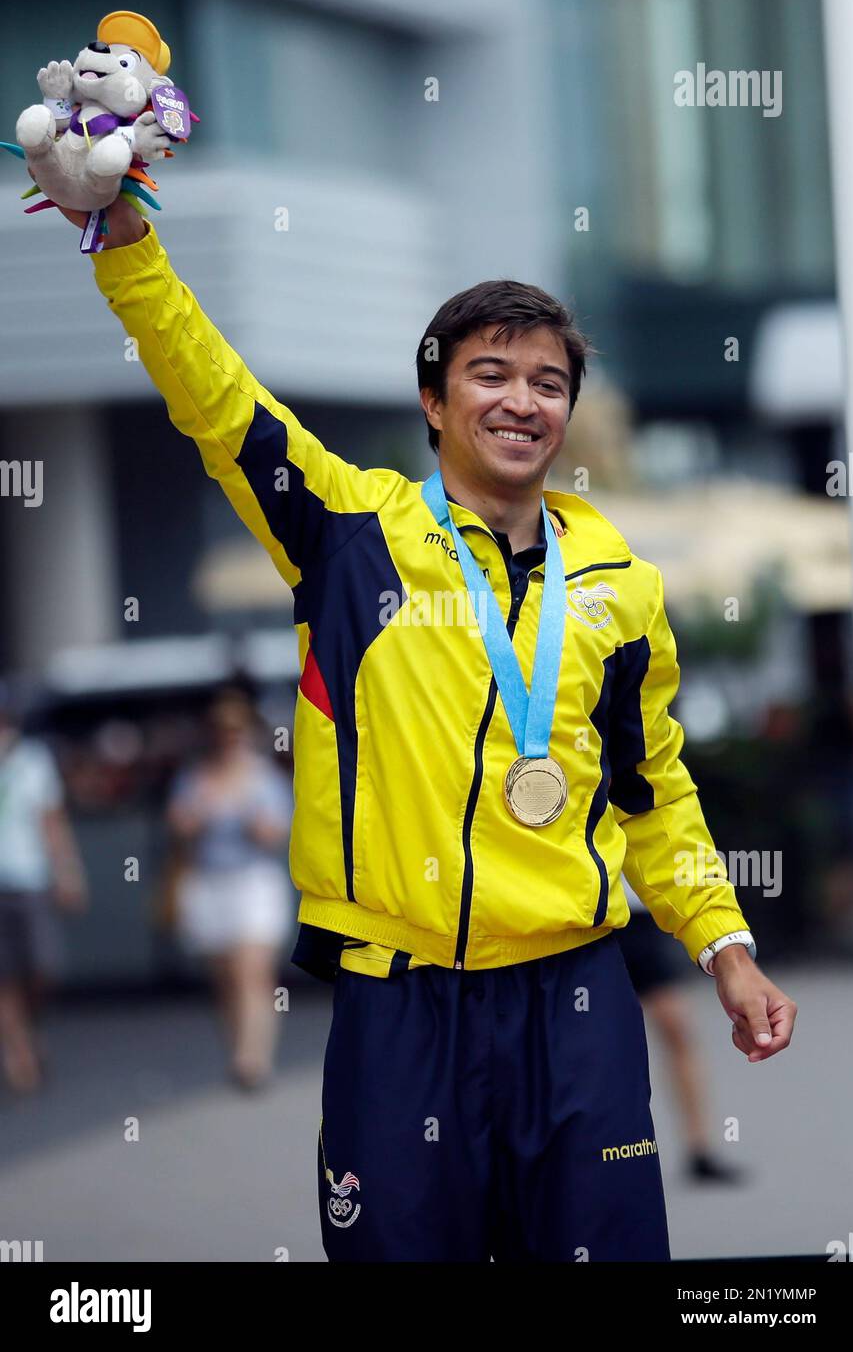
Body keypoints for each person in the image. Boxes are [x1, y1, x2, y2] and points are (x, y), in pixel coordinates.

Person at [55, 192, 796, 1262]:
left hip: (574, 996)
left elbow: (651, 789)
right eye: (488, 374)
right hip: (399, 1006)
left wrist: (724, 945)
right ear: (432, 401)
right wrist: (127, 245)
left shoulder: (621, 589)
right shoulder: (350, 535)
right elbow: (219, 405)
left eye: (547, 382)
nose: (520, 401)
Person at [164, 688, 294, 1090]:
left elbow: (275, 832)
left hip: (253, 881)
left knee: (251, 971)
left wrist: (253, 823)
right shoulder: (196, 776)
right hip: (209, 881)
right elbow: (178, 826)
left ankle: (252, 1059)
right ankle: (240, 1045)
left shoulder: (263, 777)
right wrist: (199, 815)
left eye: (236, 730)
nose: (228, 737)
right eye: (222, 730)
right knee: (225, 976)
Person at [617, 876, 744, 1183]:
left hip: (643, 916)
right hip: (589, 916)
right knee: (601, 1042)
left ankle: (700, 1149)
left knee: (678, 1028)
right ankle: (603, 1152)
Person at [0, 683, 87, 1093]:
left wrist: (67, 872)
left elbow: (51, 822)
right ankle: (19, 1058)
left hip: (29, 880)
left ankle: (29, 1032)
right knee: (4, 980)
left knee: (41, 969)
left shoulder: (33, 762)